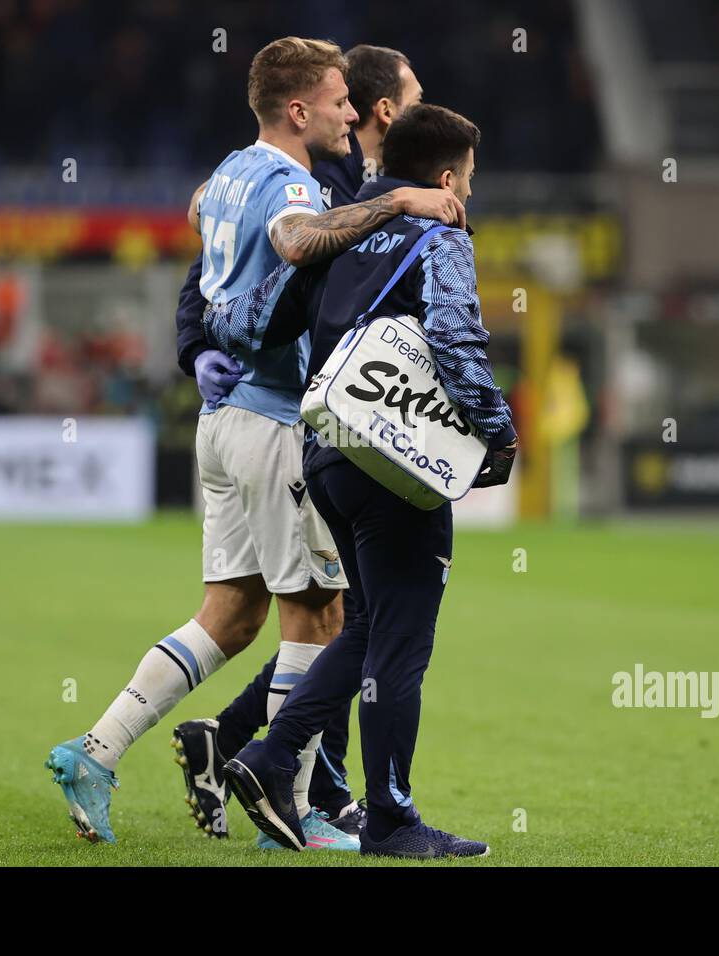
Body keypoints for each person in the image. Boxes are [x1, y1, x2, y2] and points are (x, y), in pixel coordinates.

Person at [45, 38, 462, 848]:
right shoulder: (294, 181)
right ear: (299, 109)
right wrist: (403, 204)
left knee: (231, 617)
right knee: (320, 618)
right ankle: (290, 809)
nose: (349, 111)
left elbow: (204, 213)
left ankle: (94, 750)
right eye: (338, 99)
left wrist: (206, 336)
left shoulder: (231, 169)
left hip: (221, 423)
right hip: (275, 420)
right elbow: (299, 241)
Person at [212, 103, 517, 858]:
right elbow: (453, 337)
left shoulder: (335, 237)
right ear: (447, 178)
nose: (468, 195)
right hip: (398, 464)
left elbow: (244, 323)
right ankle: (390, 818)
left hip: (325, 455)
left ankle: (267, 756)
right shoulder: (441, 235)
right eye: (468, 181)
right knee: (401, 647)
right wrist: (500, 434)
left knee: (370, 625)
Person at [170, 44, 425, 842]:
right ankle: (305, 787)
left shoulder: (361, 177)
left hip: (345, 416)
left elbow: (211, 211)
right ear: (387, 109)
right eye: (413, 94)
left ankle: (242, 746)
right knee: (340, 614)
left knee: (336, 611)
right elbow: (213, 259)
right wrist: (195, 347)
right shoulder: (338, 183)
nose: (351, 114)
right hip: (299, 417)